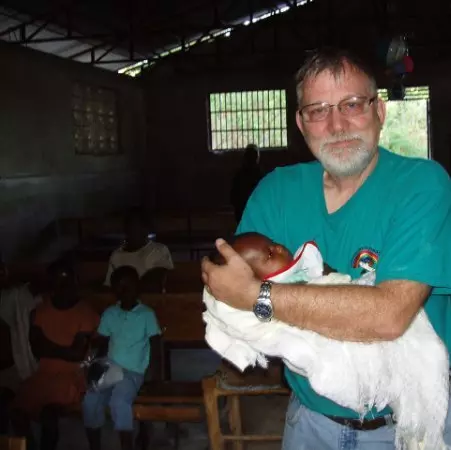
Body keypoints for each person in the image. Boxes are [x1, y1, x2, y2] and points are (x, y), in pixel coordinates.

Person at [201, 47, 451, 450]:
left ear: (379, 112)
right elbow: (231, 288)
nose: (337, 125)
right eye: (318, 110)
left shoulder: (422, 185)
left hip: (407, 427)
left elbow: (389, 317)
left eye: (352, 104)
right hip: (308, 423)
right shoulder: (276, 193)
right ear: (301, 123)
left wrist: (259, 296)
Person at [204, 232, 448, 448]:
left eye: (274, 244)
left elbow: (342, 285)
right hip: (311, 421)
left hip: (387, 426)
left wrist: (326, 281)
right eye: (269, 254)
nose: (278, 249)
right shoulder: (272, 195)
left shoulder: (303, 264)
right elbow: (253, 321)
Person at [11, 259, 99, 450]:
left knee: (48, 415)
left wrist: (49, 347)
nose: (63, 287)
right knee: (17, 411)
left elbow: (77, 355)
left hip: (72, 376)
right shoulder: (40, 311)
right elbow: (37, 349)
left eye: (67, 280)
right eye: (58, 281)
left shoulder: (84, 312)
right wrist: (63, 350)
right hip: (44, 374)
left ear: (75, 282)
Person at [83, 265, 162, 450]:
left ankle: (126, 445)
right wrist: (95, 366)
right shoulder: (110, 313)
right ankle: (94, 446)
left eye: (129, 286)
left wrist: (154, 376)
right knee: (90, 399)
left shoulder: (146, 314)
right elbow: (102, 343)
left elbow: (156, 345)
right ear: (114, 290)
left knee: (119, 401)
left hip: (132, 371)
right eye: (119, 287)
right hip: (109, 367)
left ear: (138, 287)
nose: (125, 291)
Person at [105, 210, 174, 287]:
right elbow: (109, 285)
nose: (134, 231)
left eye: (138, 228)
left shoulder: (159, 250)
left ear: (146, 230)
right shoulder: (116, 255)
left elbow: (162, 278)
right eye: (131, 227)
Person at [230, 144, 263, 223]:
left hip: (242, 212)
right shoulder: (259, 175)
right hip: (254, 212)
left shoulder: (239, 174)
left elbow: (233, 196)